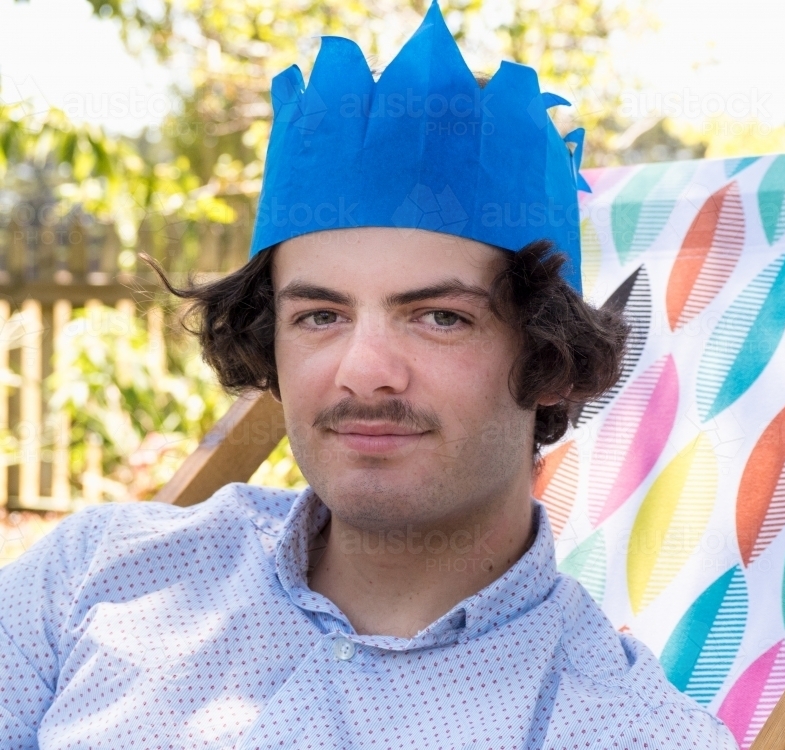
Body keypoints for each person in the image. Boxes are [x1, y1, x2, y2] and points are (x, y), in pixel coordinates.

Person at [0, 3, 738, 748]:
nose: (364, 373)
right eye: (321, 315)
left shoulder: (624, 732)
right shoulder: (97, 573)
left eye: (440, 317)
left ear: (550, 360)